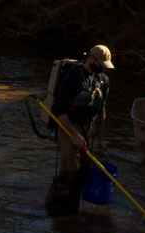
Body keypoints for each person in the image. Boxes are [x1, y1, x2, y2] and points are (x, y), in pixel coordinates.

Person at [44, 45, 113, 217]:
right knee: (69, 173)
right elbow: (59, 110)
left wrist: (101, 139)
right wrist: (74, 134)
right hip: (69, 126)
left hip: (88, 127)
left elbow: (100, 112)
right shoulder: (74, 76)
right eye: (101, 64)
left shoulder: (103, 80)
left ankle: (71, 210)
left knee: (84, 174)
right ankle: (53, 210)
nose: (103, 68)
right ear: (91, 59)